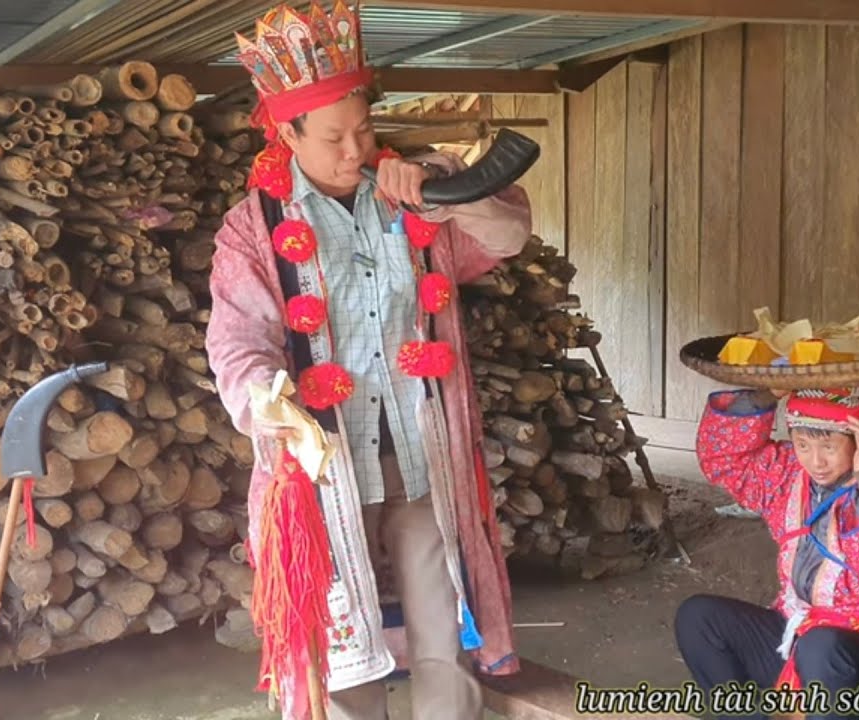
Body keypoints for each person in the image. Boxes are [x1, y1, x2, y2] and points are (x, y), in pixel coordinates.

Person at [205, 2, 530, 718]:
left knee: (441, 625)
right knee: (339, 636)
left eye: (363, 129)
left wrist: (444, 199)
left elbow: (508, 235)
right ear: (286, 133)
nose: (354, 150)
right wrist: (267, 397)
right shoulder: (253, 230)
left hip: (421, 453)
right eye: (332, 138)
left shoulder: (414, 193)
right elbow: (236, 338)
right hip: (327, 461)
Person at [675, 385, 859, 720]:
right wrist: (766, 396)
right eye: (803, 445)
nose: (816, 461)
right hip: (799, 631)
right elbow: (725, 458)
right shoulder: (788, 475)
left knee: (821, 648)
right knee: (699, 618)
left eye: (829, 446)